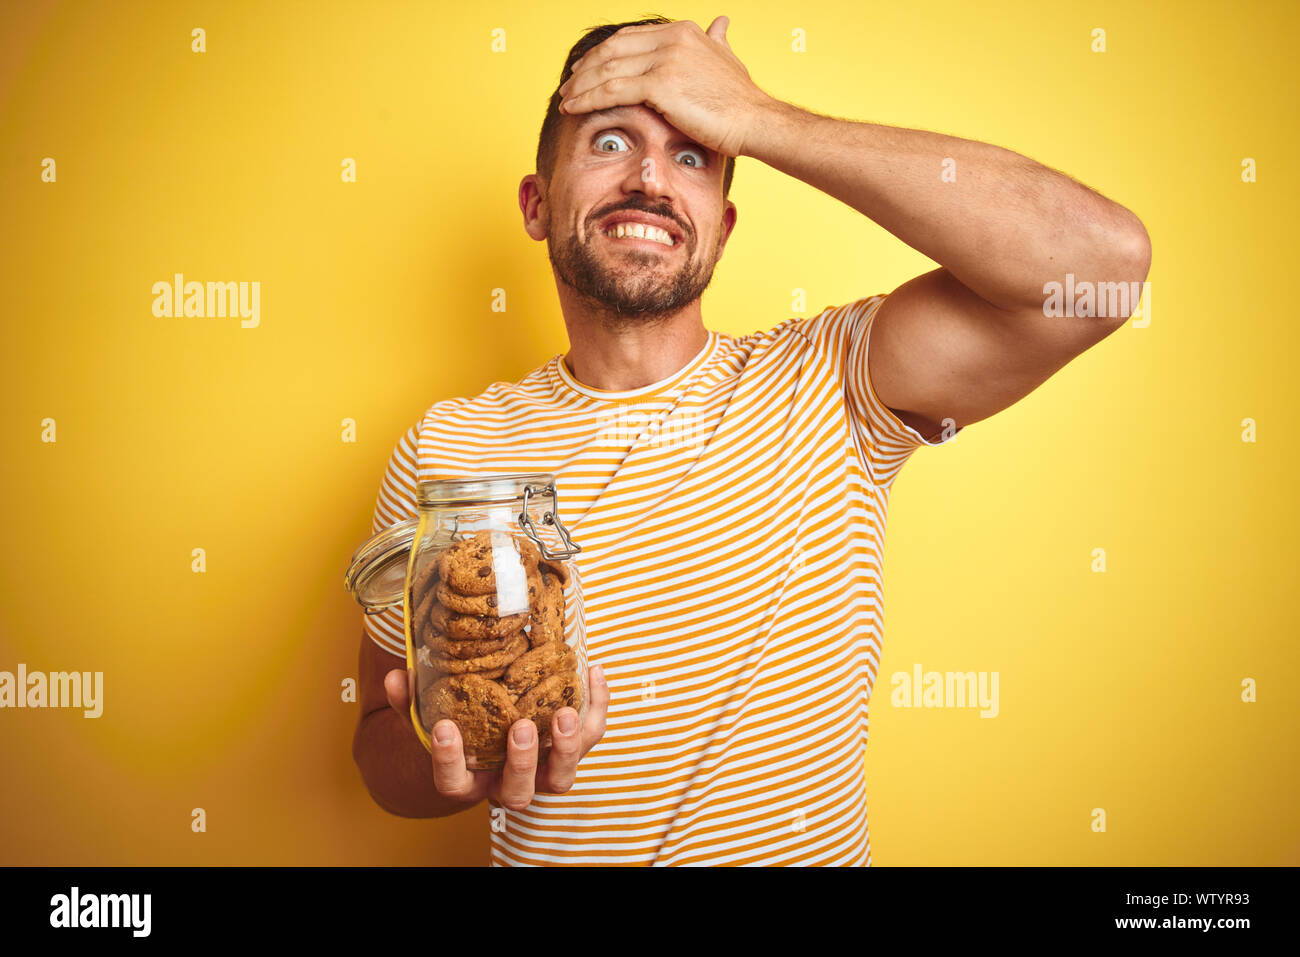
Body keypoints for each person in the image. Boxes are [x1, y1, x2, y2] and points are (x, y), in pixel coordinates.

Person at [352, 15, 1151, 865]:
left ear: (724, 227)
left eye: (694, 151)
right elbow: (376, 747)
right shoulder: (449, 451)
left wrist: (760, 117)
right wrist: (465, 764)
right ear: (537, 204)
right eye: (611, 140)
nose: (652, 177)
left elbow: (1104, 267)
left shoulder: (837, 381)